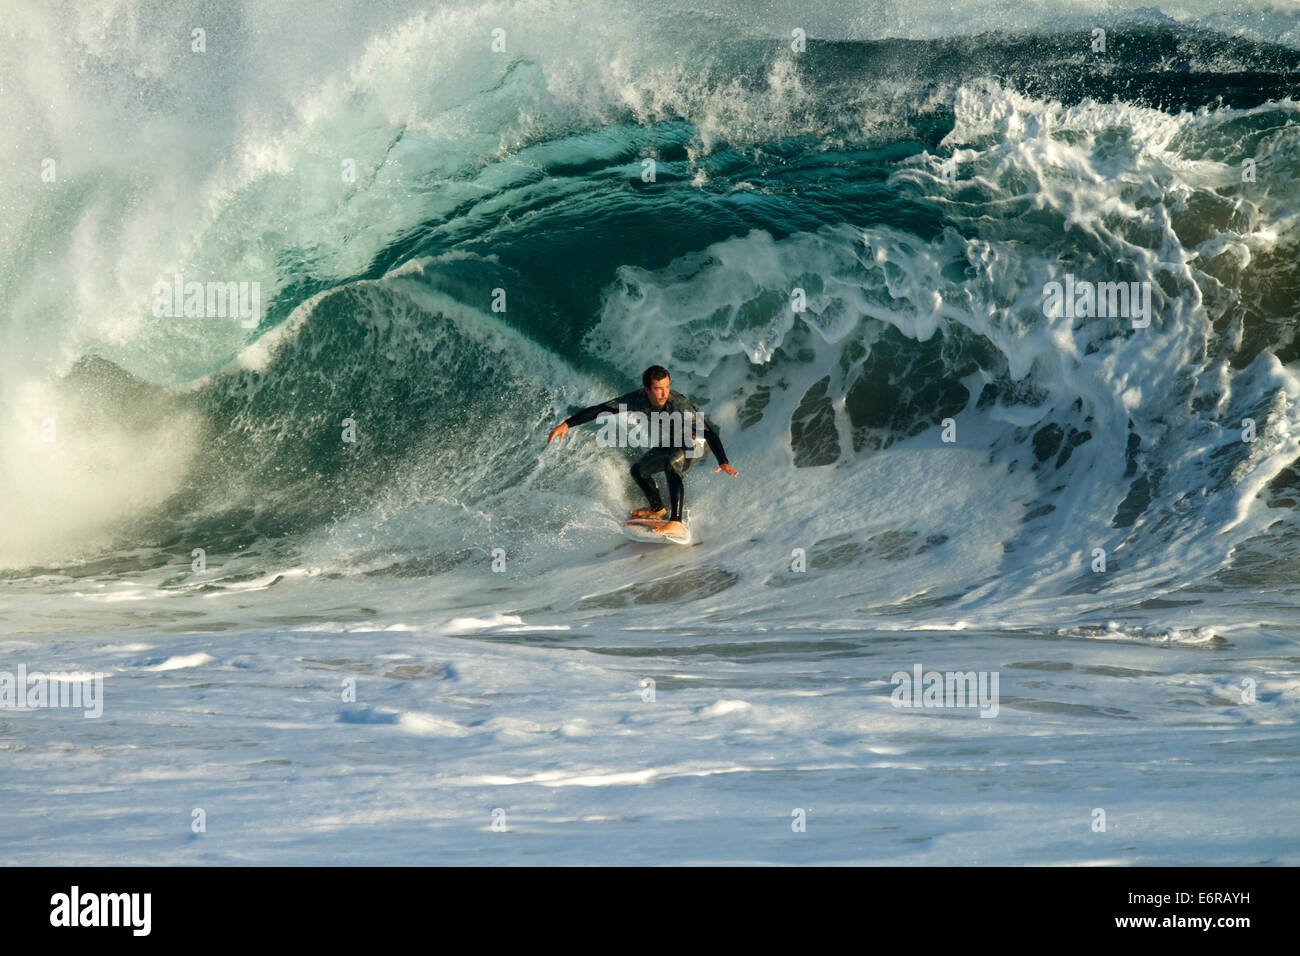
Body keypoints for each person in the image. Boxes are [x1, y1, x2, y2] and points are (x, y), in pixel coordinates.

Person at [548, 365, 738, 536]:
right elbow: (602, 409)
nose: (664, 393)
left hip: (698, 442)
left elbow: (709, 433)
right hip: (676, 441)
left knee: (672, 462)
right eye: (658, 389)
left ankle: (676, 522)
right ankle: (658, 510)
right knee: (638, 470)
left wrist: (723, 460)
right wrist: (567, 423)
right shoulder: (637, 399)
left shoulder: (678, 405)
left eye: (667, 387)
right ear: (647, 390)